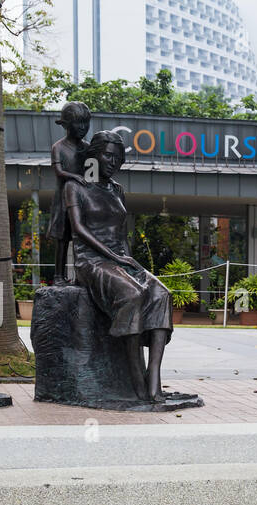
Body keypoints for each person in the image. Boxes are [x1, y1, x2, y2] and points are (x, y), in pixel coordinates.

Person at [65, 131, 173, 403]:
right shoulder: (76, 186)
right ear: (94, 155)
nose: (114, 161)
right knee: (132, 295)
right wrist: (114, 257)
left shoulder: (117, 190)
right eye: (108, 155)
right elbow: (78, 229)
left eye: (119, 157)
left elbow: (121, 233)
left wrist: (129, 260)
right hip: (91, 261)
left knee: (161, 294)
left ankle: (154, 377)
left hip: (119, 259)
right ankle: (136, 378)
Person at [49, 102, 90, 285]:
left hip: (83, 200)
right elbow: (59, 172)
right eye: (77, 123)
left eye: (85, 122)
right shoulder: (58, 147)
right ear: (65, 125)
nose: (82, 127)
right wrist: (75, 177)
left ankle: (81, 275)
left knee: (82, 238)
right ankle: (58, 275)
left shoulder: (88, 148)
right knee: (62, 239)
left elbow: (94, 173)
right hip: (63, 200)